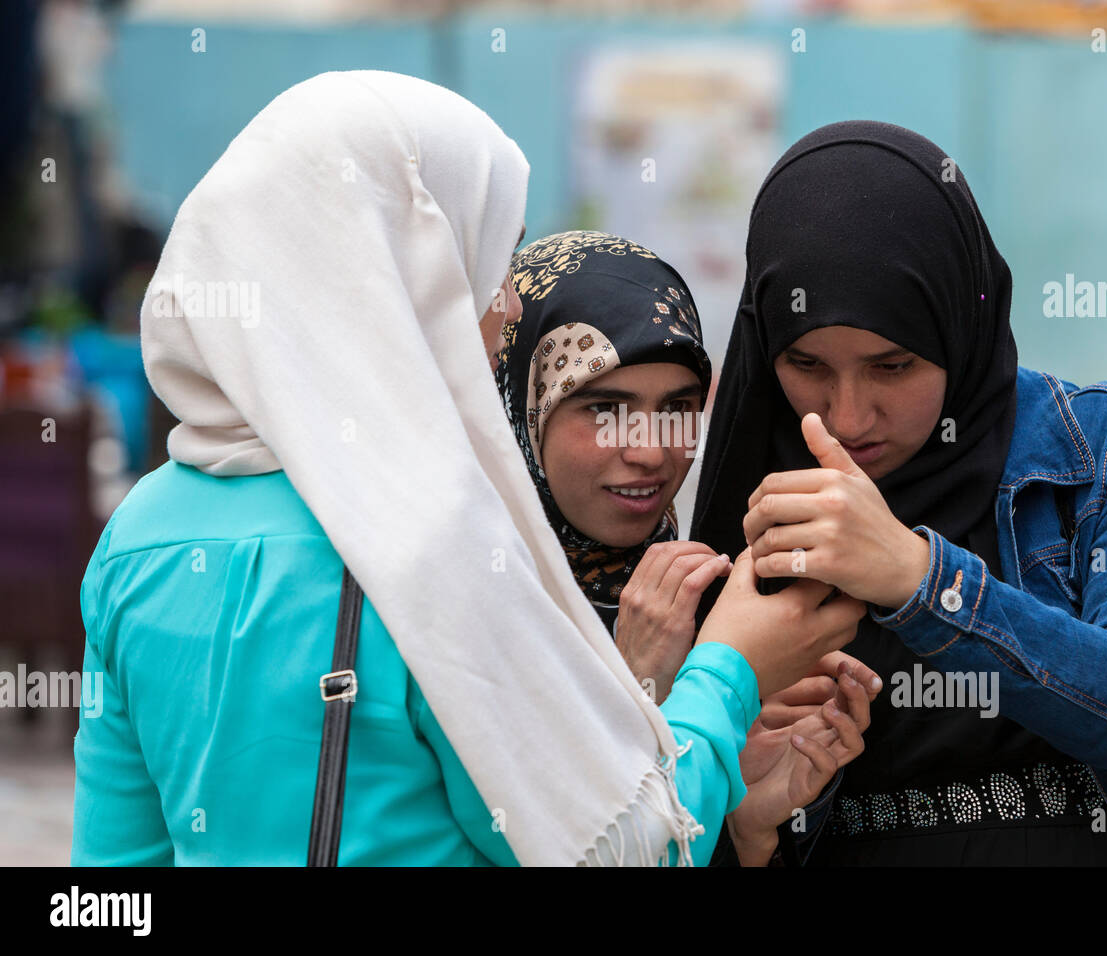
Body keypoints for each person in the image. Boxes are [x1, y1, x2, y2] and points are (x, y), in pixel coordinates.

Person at [70, 72, 869, 867]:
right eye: (486, 257)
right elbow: (620, 849)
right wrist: (729, 671)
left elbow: (112, 875)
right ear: (393, 272)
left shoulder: (140, 534)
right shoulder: (423, 528)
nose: (510, 303)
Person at [690, 120, 1107, 866]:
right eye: (806, 363)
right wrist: (752, 823)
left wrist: (919, 578)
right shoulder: (754, 506)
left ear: (960, 324)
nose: (847, 417)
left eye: (893, 366)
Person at [495, 229, 883, 864]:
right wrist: (639, 691)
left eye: (678, 407)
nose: (650, 450)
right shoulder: (457, 607)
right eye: (603, 408)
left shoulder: (727, 609)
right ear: (520, 406)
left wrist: (750, 830)